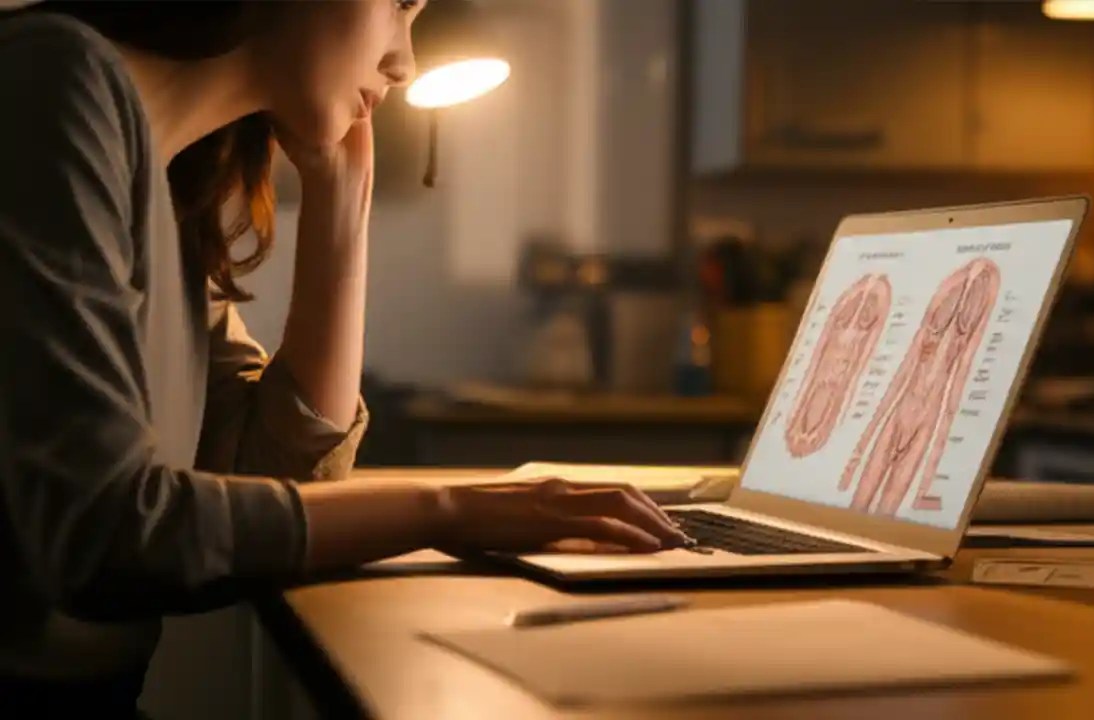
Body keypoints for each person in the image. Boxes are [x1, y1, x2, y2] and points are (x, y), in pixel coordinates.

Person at [0, 1, 690, 714]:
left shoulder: (167, 180)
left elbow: (277, 479)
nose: (405, 62)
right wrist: (445, 509)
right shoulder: (52, 81)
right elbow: (105, 534)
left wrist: (342, 196)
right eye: (398, 6)